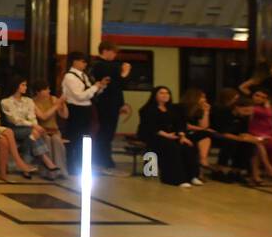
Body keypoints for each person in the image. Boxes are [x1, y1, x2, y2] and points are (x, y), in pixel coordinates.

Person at [137, 86, 202, 188]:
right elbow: (150, 126)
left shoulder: (173, 109)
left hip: (172, 134)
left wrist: (182, 136)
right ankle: (175, 179)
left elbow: (180, 124)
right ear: (155, 95)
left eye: (167, 93)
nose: (165, 95)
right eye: (161, 93)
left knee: (188, 146)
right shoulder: (147, 109)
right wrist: (167, 135)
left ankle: (192, 176)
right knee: (171, 147)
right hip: (154, 135)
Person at [209, 88, 272, 186]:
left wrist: (255, 140)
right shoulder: (224, 112)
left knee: (249, 145)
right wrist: (240, 138)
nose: (247, 113)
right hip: (218, 135)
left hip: (235, 136)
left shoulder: (244, 117)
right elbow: (223, 132)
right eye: (246, 110)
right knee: (231, 143)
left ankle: (236, 171)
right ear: (236, 107)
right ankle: (219, 170)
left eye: (250, 111)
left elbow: (243, 133)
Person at [0, 79, 63, 179]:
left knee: (31, 137)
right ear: (16, 86)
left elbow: (32, 116)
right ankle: (45, 159)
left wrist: (34, 125)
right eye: (23, 85)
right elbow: (15, 120)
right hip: (15, 129)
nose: (25, 87)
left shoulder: (28, 101)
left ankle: (26, 168)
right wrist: (34, 126)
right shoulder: (6, 102)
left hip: (29, 129)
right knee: (33, 132)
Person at [60, 51, 109, 174]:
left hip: (86, 109)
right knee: (74, 139)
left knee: (85, 139)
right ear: (74, 61)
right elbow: (79, 96)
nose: (85, 64)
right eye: (82, 61)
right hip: (76, 110)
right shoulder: (69, 77)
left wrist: (100, 87)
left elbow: (90, 94)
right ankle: (72, 166)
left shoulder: (84, 76)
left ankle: (82, 165)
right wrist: (94, 87)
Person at [90, 41, 131, 174]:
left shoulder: (103, 65)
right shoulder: (102, 66)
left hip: (111, 104)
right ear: (105, 51)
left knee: (108, 133)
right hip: (106, 104)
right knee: (105, 133)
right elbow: (117, 85)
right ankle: (102, 161)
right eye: (113, 52)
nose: (115, 55)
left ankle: (104, 161)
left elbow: (117, 89)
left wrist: (121, 104)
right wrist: (124, 73)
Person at [31, 81, 68, 172]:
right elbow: (43, 116)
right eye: (46, 89)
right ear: (38, 92)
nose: (49, 91)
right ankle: (48, 172)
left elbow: (65, 115)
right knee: (47, 141)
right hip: (42, 131)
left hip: (54, 130)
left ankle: (61, 170)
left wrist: (62, 105)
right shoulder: (32, 102)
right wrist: (56, 106)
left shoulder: (53, 99)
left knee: (56, 141)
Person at [181, 88, 214, 172]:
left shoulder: (199, 110)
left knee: (206, 135)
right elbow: (185, 125)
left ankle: (202, 160)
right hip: (182, 132)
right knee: (206, 134)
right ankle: (202, 161)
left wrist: (206, 112)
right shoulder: (182, 108)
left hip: (194, 133)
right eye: (202, 97)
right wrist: (202, 129)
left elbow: (204, 126)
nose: (204, 100)